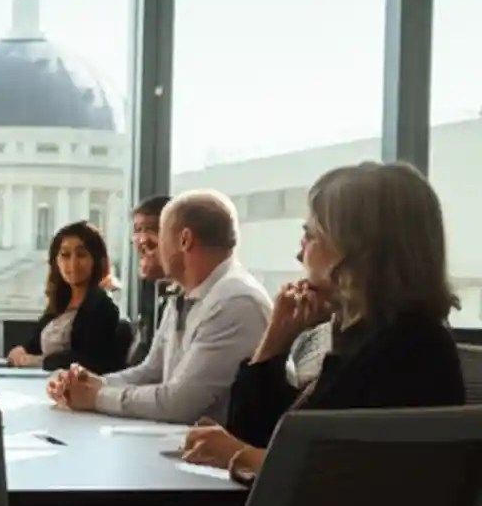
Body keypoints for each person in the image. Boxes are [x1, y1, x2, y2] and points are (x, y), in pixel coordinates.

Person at [183, 161, 464, 473]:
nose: (300, 254)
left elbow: (341, 474)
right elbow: (258, 430)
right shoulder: (361, 336)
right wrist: (277, 339)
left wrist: (238, 454)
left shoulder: (409, 349)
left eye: (310, 236)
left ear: (357, 249)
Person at [49, 190, 271, 424]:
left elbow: (180, 402)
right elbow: (151, 372)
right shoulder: (184, 294)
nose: (147, 246)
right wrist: (87, 384)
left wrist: (97, 396)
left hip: (213, 456)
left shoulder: (234, 301)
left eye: (160, 234)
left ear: (185, 240)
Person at [6, 221, 125, 373]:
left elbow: (90, 361)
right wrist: (21, 351)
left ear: (95, 260)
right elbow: (34, 345)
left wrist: (38, 361)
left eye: (81, 255)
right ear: (56, 261)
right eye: (65, 255)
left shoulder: (102, 307)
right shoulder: (60, 304)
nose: (73, 263)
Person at [125, 195, 172, 367]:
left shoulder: (186, 298)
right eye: (137, 230)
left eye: (152, 229)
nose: (143, 240)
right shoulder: (152, 289)